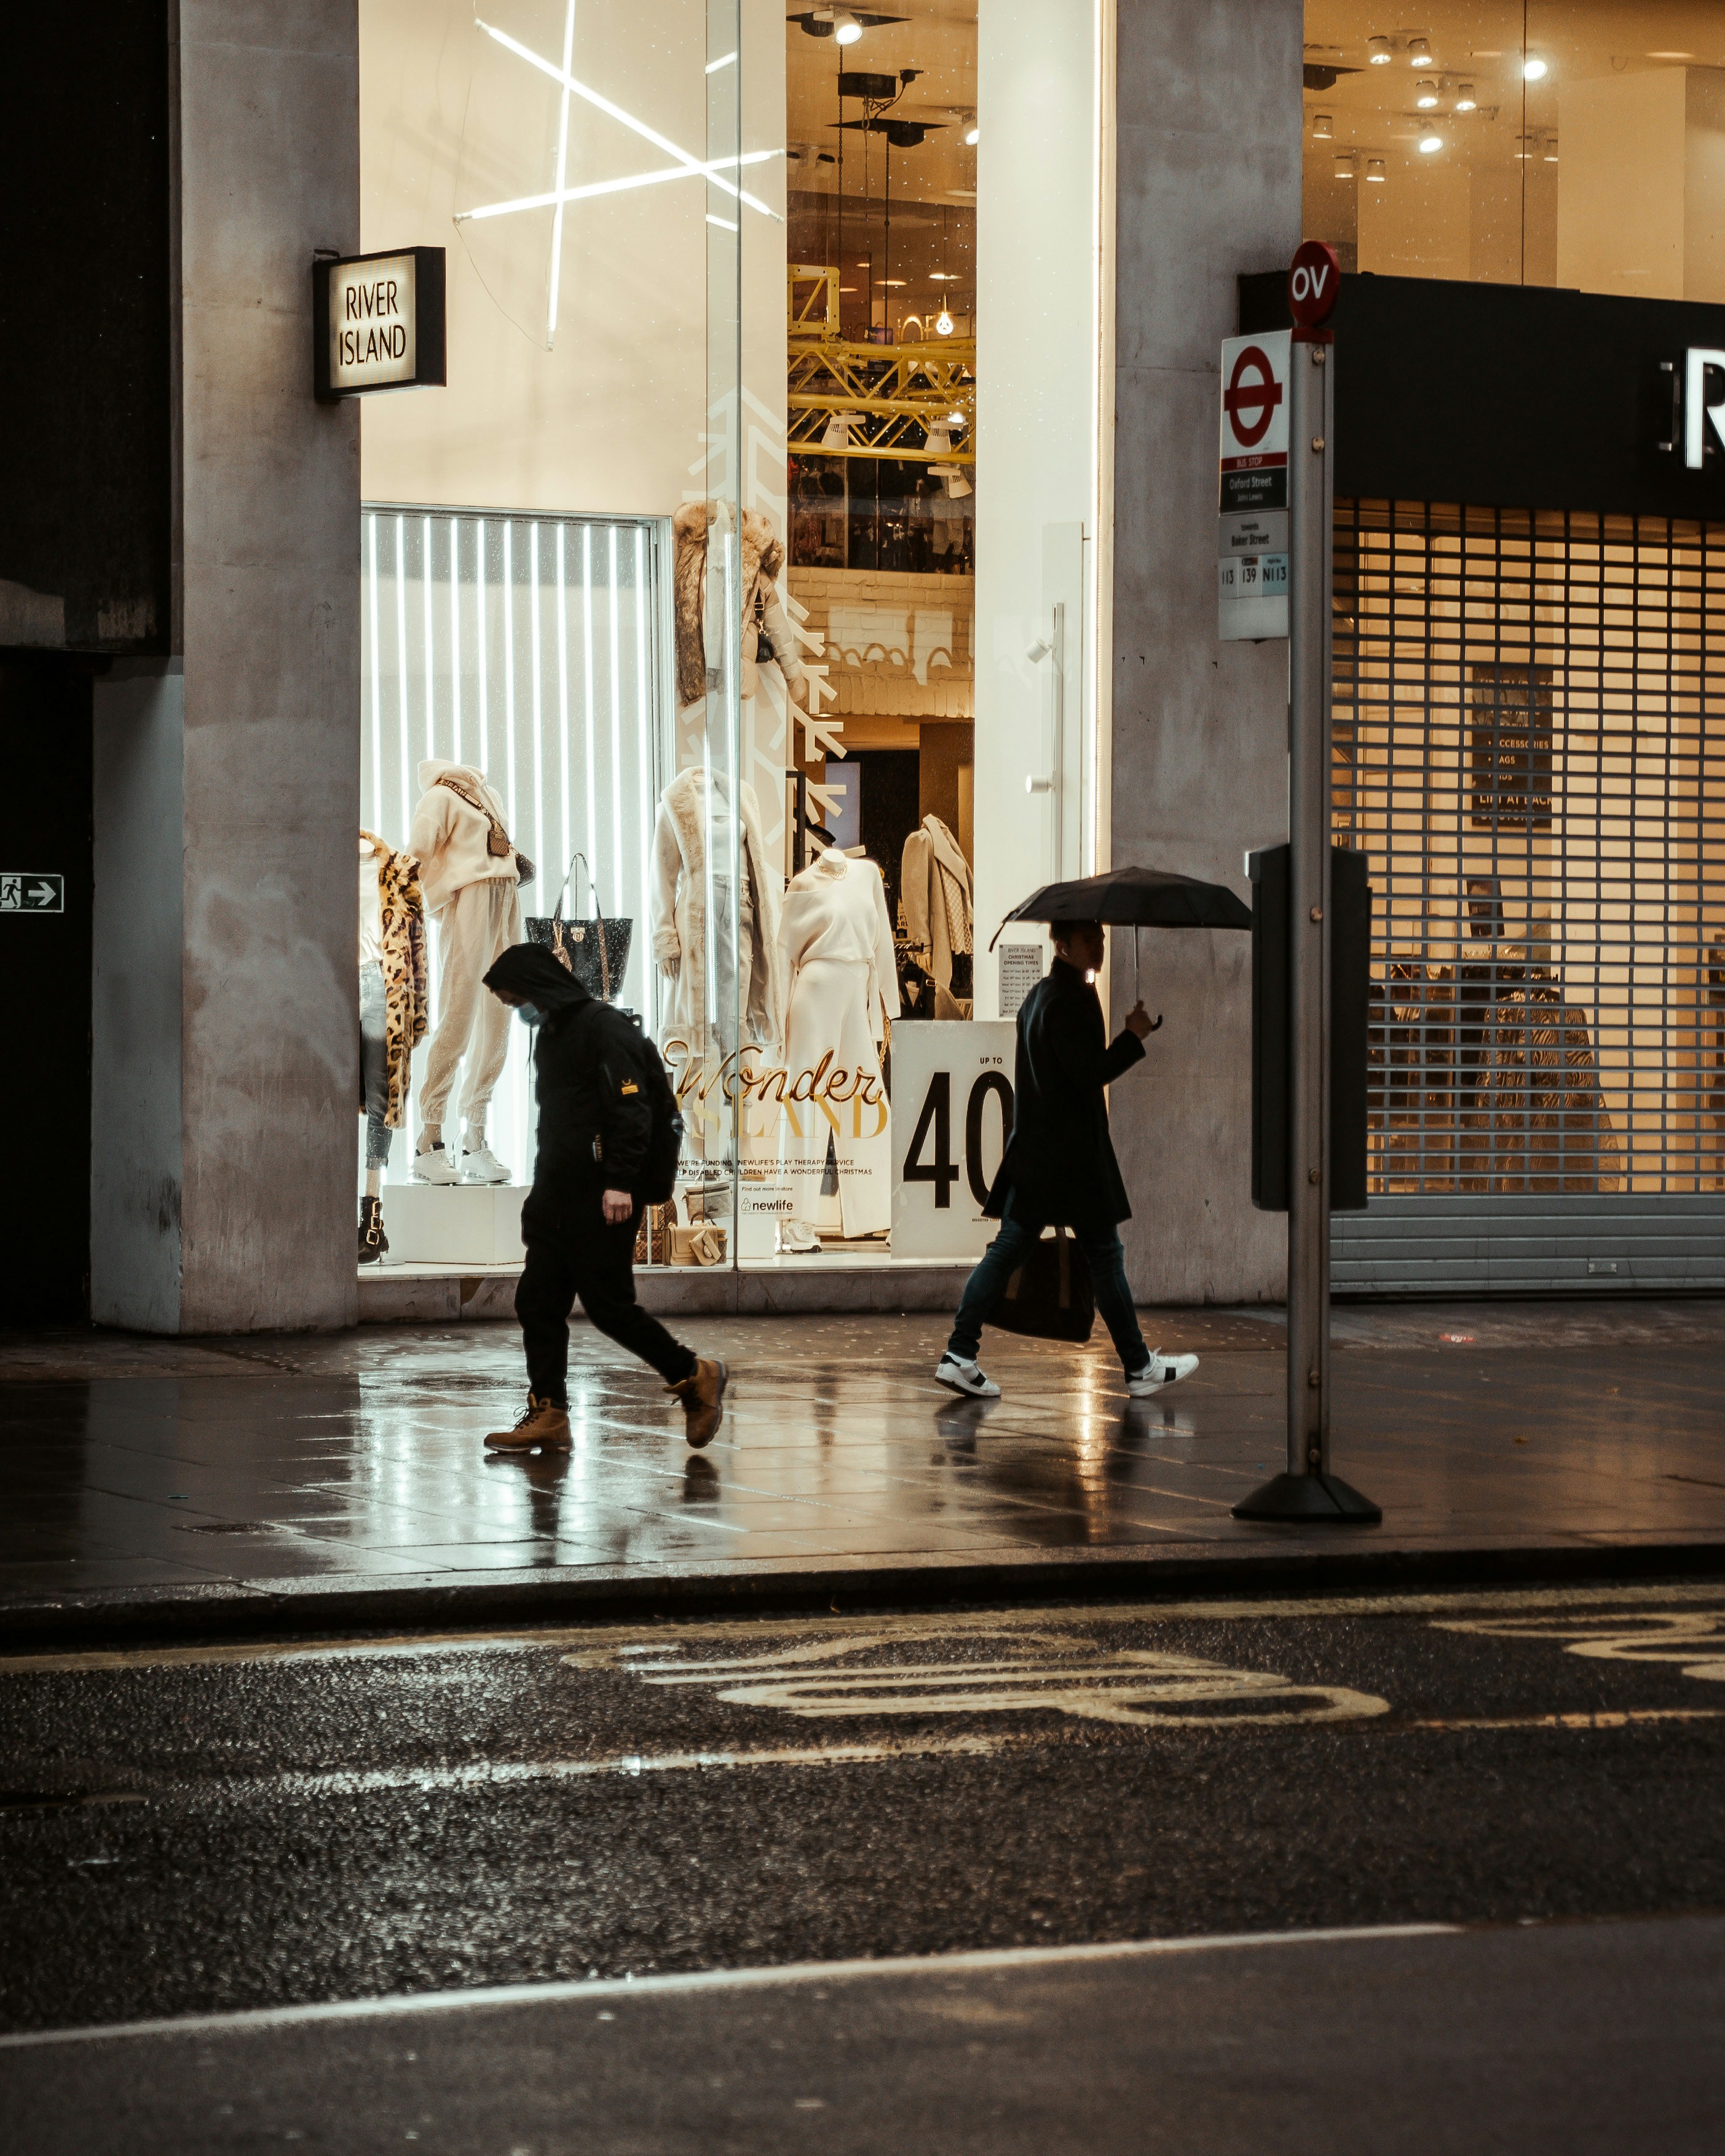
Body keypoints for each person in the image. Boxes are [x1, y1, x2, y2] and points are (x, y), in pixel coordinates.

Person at [936, 919, 1199, 1402]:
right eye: (1089, 939)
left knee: (1010, 1249)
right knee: (1103, 1256)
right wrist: (1133, 1037)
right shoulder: (1074, 999)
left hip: (1036, 1156)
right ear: (1063, 944)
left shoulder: (1039, 995)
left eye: (1100, 937)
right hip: (1071, 1161)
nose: (1099, 945)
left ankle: (959, 1353)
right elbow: (1088, 1074)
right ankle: (1139, 1367)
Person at [479, 943, 728, 1451]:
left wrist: (620, 1182)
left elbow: (631, 1112)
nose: (516, 1010)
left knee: (609, 1307)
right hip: (558, 1197)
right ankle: (549, 1411)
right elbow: (562, 1121)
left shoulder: (603, 1027)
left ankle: (695, 1374)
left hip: (602, 1196)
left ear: (537, 987)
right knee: (538, 1301)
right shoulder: (551, 1034)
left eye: (515, 999)